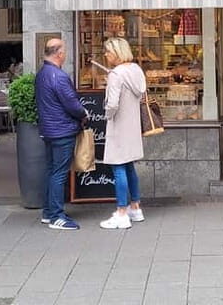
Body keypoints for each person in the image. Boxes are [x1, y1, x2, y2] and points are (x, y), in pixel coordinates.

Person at [35, 38, 88, 230]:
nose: (65, 54)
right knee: (59, 174)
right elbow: (72, 104)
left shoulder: (41, 74)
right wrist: (84, 113)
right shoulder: (58, 76)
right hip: (62, 130)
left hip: (49, 130)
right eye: (64, 51)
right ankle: (57, 216)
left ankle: (49, 213)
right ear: (59, 53)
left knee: (51, 171)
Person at [98, 37, 146, 230]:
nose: (106, 55)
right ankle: (136, 207)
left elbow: (112, 104)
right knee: (129, 167)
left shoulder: (116, 74)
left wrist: (106, 114)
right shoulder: (136, 70)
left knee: (118, 168)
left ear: (116, 53)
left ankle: (121, 213)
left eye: (108, 51)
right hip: (133, 126)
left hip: (118, 126)